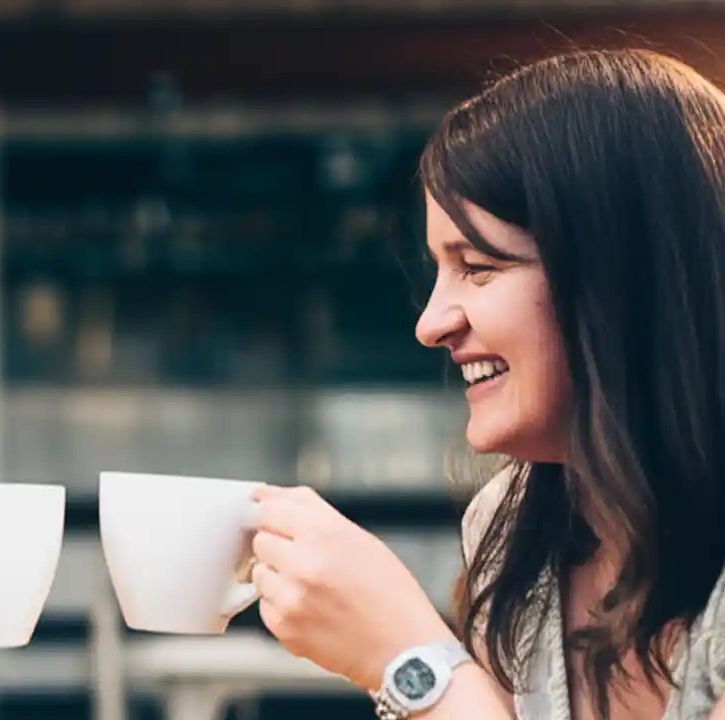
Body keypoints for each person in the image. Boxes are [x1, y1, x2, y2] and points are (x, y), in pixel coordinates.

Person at [250, 48, 725, 719]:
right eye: (437, 270)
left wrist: (410, 660)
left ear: (618, 284)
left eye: (477, 267)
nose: (430, 324)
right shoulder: (510, 535)